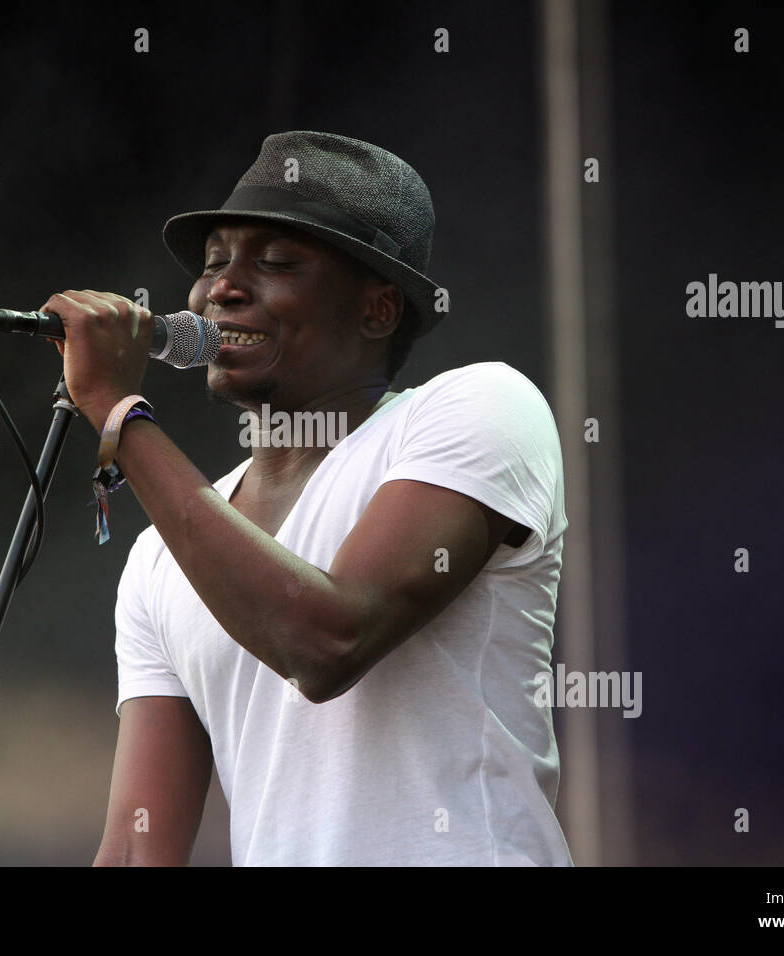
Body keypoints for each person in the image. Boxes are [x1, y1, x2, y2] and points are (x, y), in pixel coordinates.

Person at [44, 131, 572, 866]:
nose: (221, 288)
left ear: (378, 310)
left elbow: (327, 641)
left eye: (277, 262)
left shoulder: (480, 408)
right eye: (215, 262)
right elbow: (138, 851)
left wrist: (116, 413)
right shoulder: (160, 558)